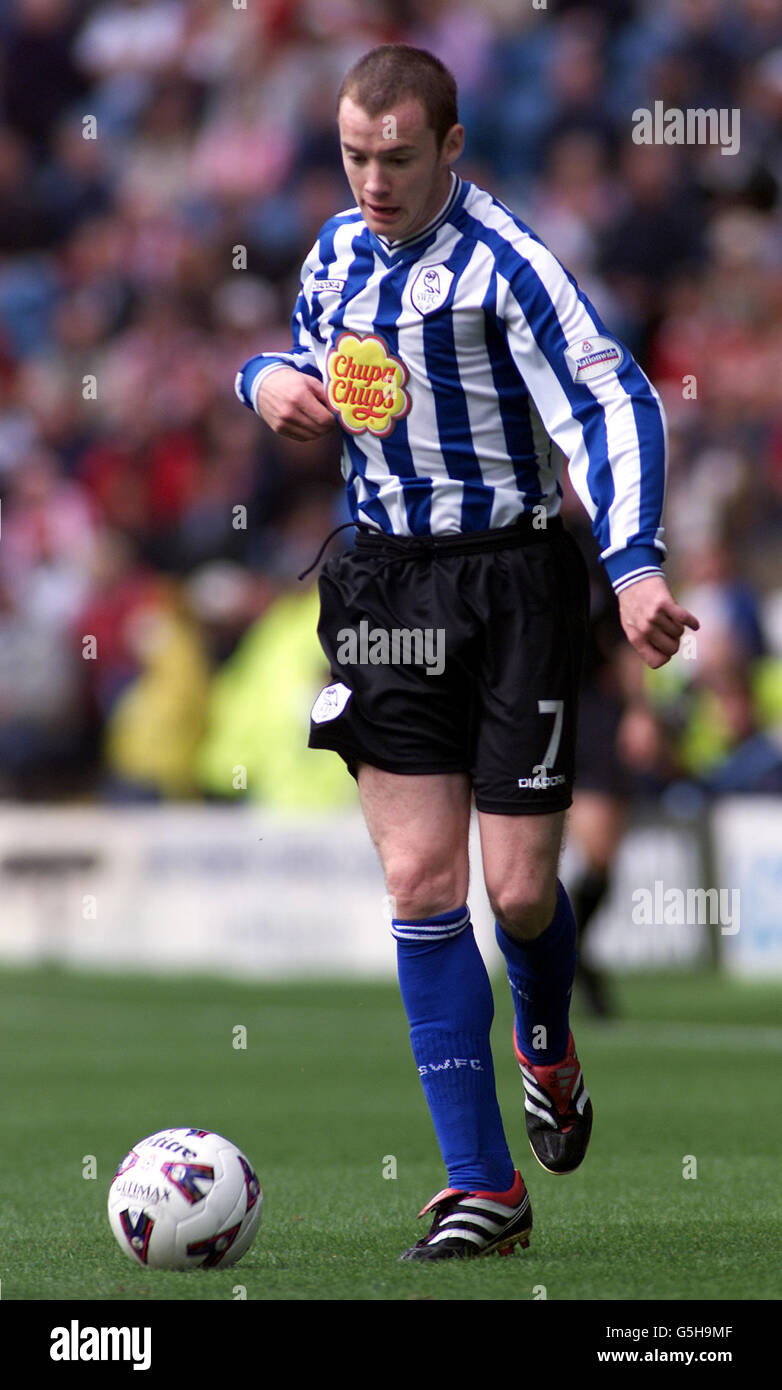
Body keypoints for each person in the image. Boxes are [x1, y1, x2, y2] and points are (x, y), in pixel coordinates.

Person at [235, 44, 699, 1261]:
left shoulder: (513, 268)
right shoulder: (334, 253)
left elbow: (614, 401)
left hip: (511, 587)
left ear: (451, 148)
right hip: (383, 583)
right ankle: (480, 1187)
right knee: (420, 885)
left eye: (396, 158)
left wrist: (634, 561)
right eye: (352, 155)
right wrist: (263, 381)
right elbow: (291, 357)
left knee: (518, 892)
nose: (372, 181)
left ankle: (543, 1039)